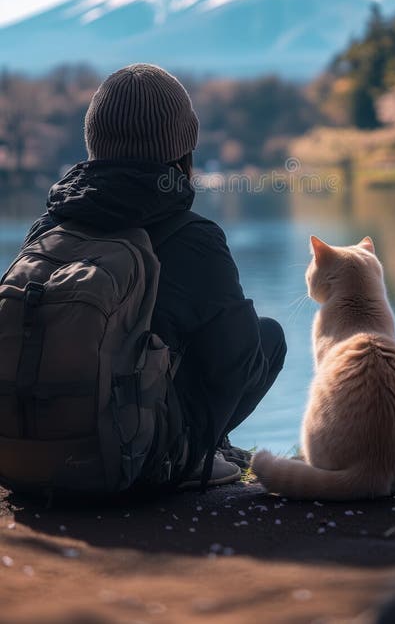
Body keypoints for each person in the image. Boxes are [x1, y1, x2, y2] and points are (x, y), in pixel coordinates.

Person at [22, 63, 286, 489]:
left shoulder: (49, 225)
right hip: (129, 463)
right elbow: (237, 360)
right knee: (267, 338)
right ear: (183, 150)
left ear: (94, 142)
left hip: (21, 454)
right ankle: (190, 458)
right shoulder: (194, 237)